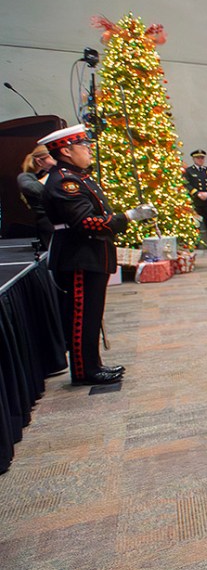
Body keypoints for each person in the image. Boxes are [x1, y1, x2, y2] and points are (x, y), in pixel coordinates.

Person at [40, 125, 157, 386]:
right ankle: (84, 371)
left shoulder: (77, 177)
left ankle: (92, 364)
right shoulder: (65, 182)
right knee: (83, 315)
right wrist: (129, 217)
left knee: (92, 313)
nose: (89, 149)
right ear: (66, 151)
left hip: (89, 255)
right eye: (83, 145)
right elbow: (87, 222)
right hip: (78, 256)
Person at [17, 145, 55, 248]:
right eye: (52, 158)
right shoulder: (25, 177)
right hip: (48, 224)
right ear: (39, 161)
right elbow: (35, 189)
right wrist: (52, 174)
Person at [183, 149, 207, 249]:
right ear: (194, 159)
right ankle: (195, 242)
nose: (200, 160)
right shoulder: (189, 171)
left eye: (202, 158)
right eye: (198, 158)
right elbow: (187, 184)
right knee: (196, 223)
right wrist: (197, 193)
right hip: (196, 201)